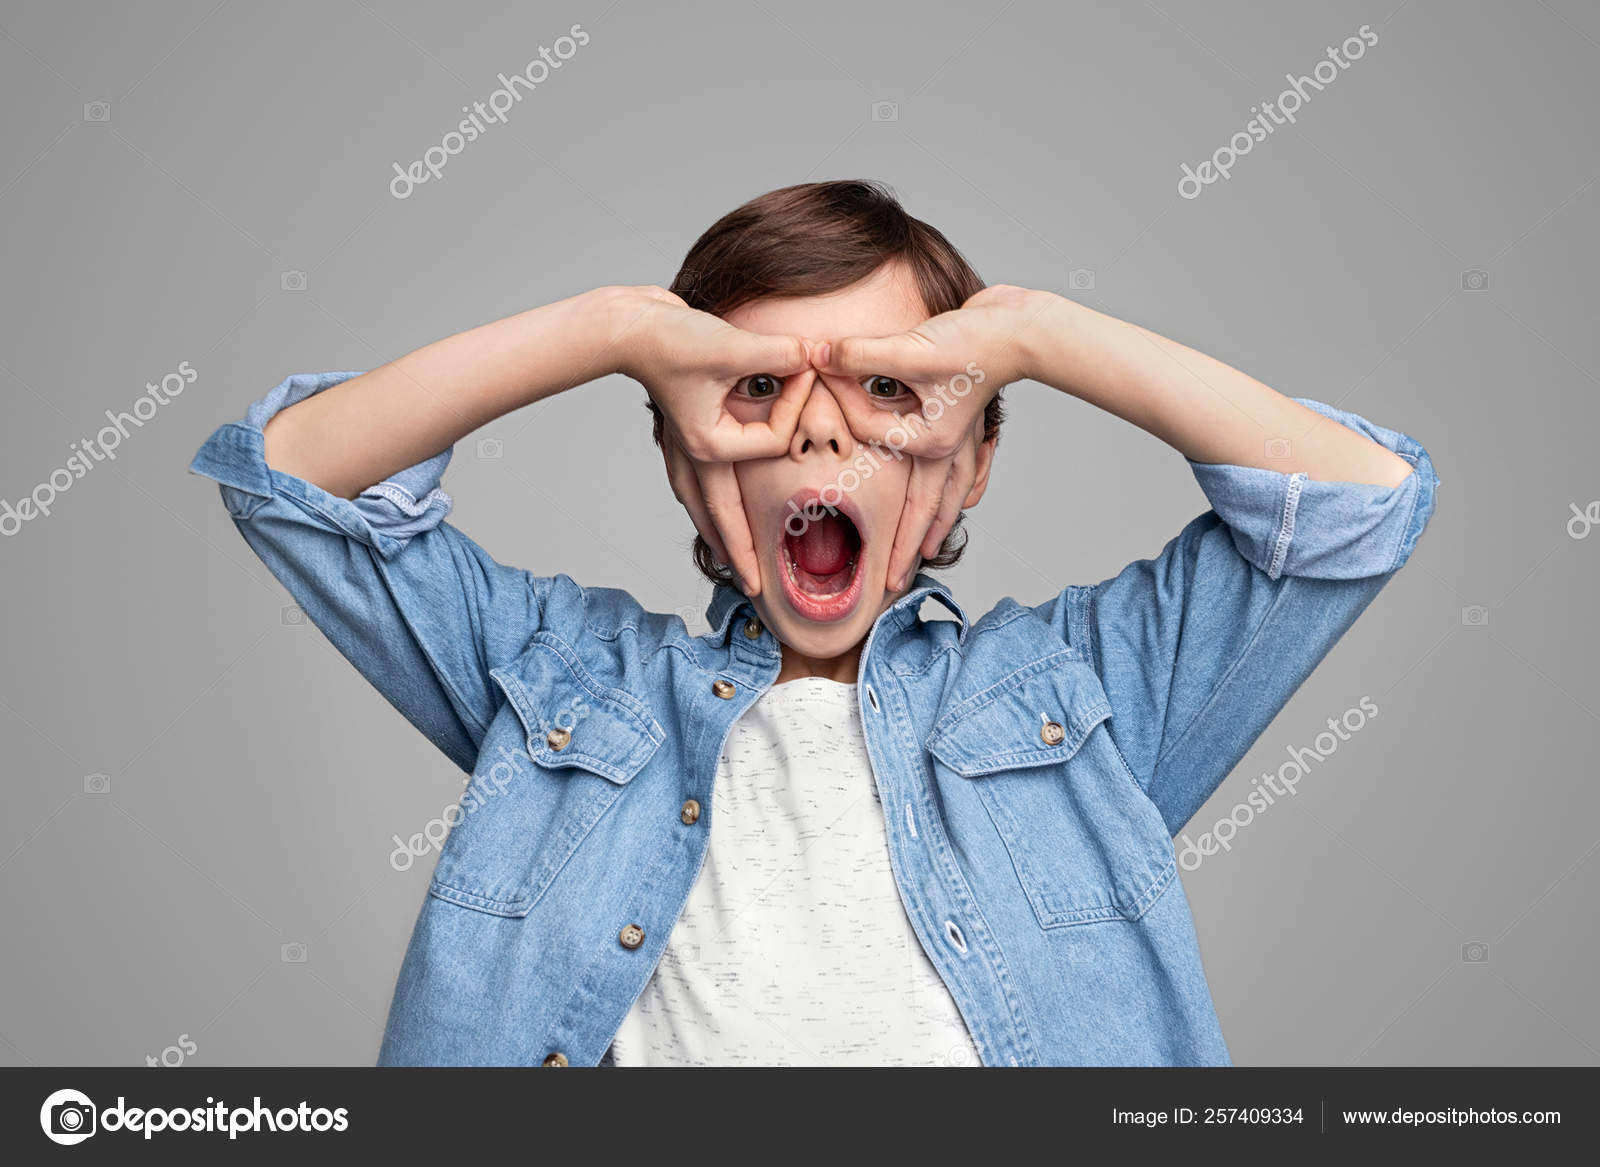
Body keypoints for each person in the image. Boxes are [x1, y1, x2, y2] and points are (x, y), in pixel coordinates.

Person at [190, 179, 1437, 1065]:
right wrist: (615, 328)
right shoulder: (562, 684)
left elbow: (1351, 506)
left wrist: (1029, 332)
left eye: (889, 392)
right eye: (759, 390)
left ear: (968, 460)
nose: (822, 429)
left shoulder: (1089, 690)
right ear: (687, 461)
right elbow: (295, 480)